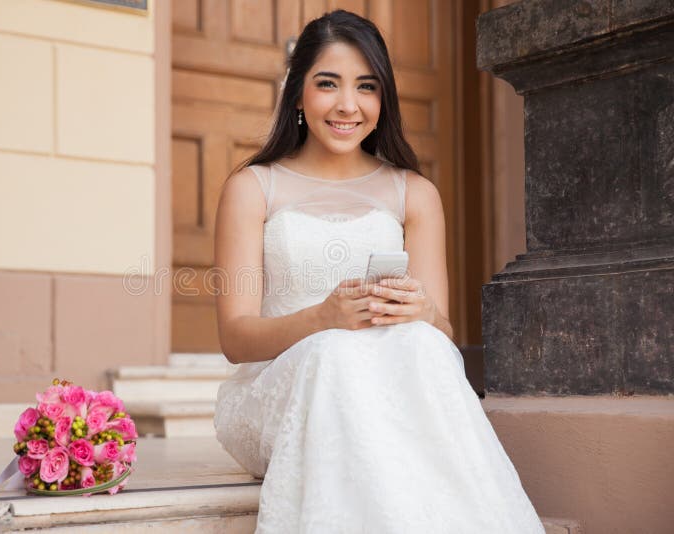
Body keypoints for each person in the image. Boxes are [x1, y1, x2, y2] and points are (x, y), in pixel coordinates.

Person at [212, 10, 544, 534]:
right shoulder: (254, 188)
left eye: (366, 87)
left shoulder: (414, 193)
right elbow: (235, 337)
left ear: (382, 98)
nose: (348, 105)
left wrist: (424, 311)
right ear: (297, 94)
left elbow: (443, 336)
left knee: (426, 346)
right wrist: (323, 318)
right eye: (328, 84)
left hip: (385, 391)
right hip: (279, 393)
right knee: (334, 352)